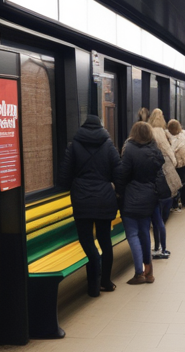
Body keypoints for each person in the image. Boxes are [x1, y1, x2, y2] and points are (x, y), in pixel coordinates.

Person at [59, 114, 122, 297]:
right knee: (105, 241)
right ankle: (106, 282)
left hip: (82, 200)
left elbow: (64, 175)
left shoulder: (74, 146)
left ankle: (93, 285)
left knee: (87, 242)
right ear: (101, 127)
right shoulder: (108, 145)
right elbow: (118, 173)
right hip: (104, 199)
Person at [117, 121, 164, 284]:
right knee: (144, 232)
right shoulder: (155, 150)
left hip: (131, 197)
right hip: (150, 196)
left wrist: (120, 192)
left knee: (132, 234)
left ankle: (139, 273)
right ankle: (149, 272)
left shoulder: (129, 149)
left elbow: (123, 175)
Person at [148, 108, 180, 251]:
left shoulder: (148, 130)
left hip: (151, 174)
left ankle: (157, 244)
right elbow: (167, 149)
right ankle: (161, 245)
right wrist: (174, 161)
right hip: (163, 170)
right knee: (161, 213)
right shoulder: (160, 132)